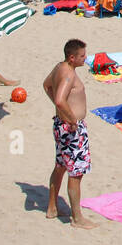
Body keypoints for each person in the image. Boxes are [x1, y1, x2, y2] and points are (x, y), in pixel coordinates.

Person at [44, 39, 96, 228]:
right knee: (76, 172)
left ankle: (52, 208)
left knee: (60, 166)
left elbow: (47, 86)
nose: (85, 58)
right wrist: (72, 119)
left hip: (61, 125)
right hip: (71, 129)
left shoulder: (60, 67)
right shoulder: (68, 74)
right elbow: (59, 100)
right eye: (82, 55)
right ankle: (77, 218)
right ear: (72, 57)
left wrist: (63, 114)